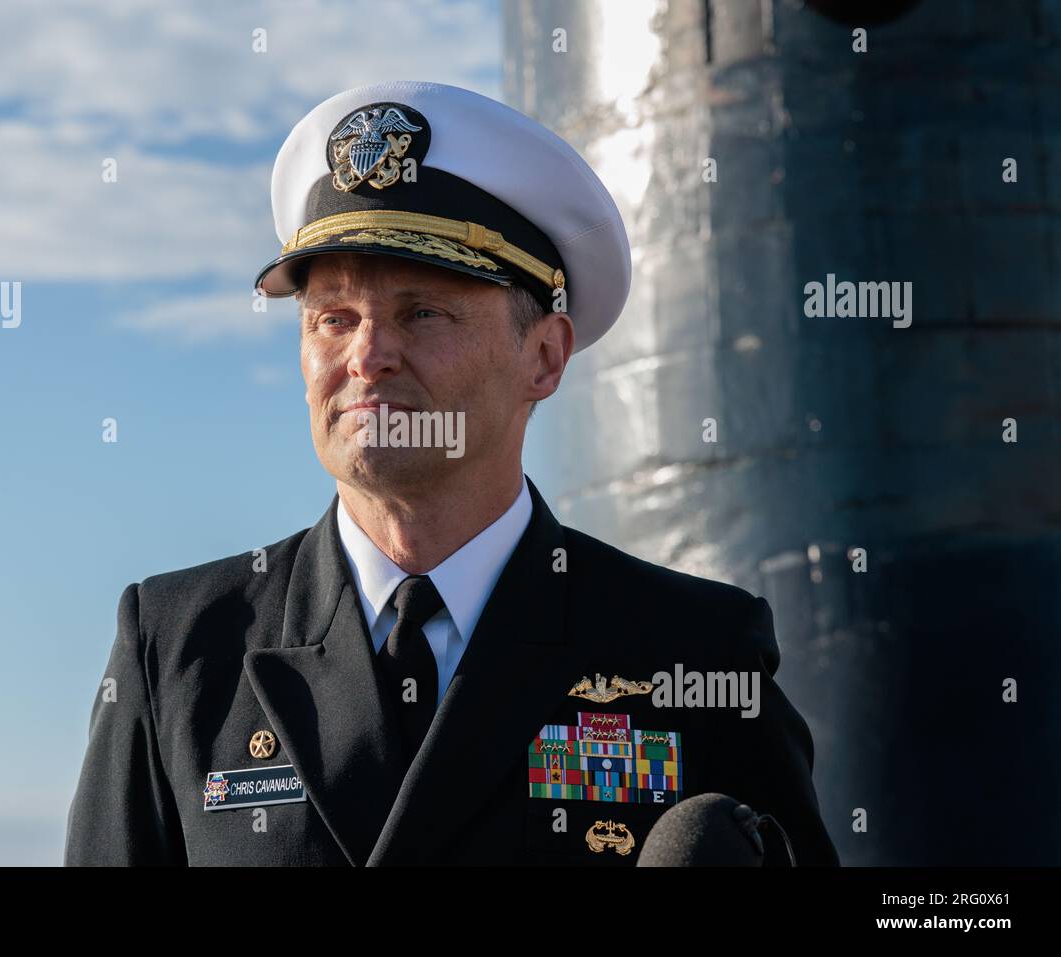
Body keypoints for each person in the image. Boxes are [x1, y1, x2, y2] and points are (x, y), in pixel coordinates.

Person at [64, 80, 838, 866]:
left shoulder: (695, 654)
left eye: (422, 312)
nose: (366, 356)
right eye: (334, 318)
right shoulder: (177, 651)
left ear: (543, 356)